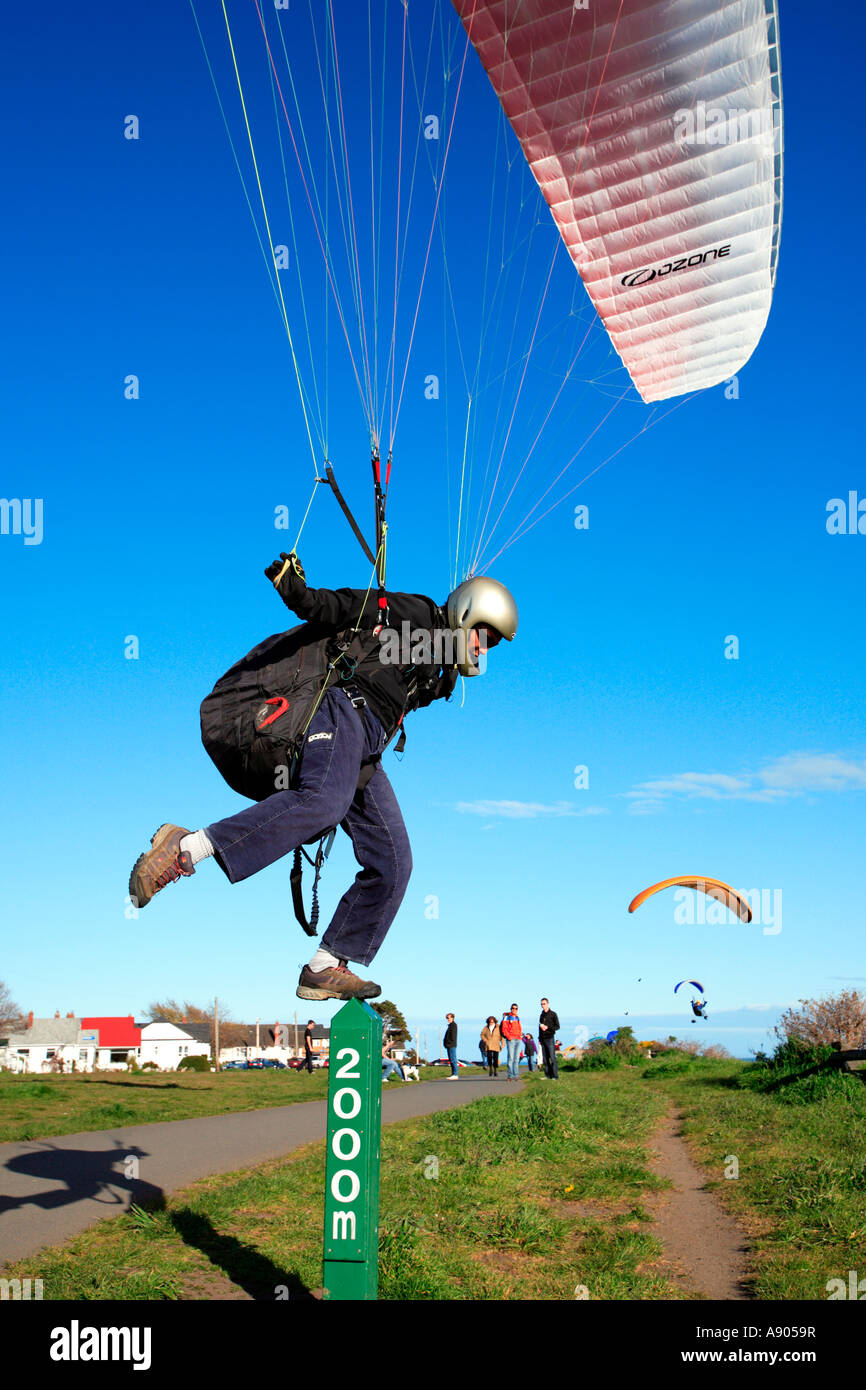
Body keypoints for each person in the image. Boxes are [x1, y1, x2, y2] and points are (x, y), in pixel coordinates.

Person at [128, 563, 517, 1004]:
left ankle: (324, 965)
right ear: (466, 613)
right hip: (343, 710)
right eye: (483, 635)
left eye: (491, 644)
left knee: (394, 860)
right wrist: (300, 594)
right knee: (324, 801)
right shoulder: (419, 616)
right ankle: (185, 848)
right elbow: (348, 607)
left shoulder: (439, 673)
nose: (483, 647)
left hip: (367, 748)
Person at [538, 998, 560, 1079]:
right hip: (542, 1038)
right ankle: (547, 1075)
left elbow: (557, 1026)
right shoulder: (541, 1015)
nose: (542, 1005)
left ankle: (555, 1076)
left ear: (548, 1004)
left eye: (544, 1004)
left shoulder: (553, 1014)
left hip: (550, 1038)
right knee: (545, 1058)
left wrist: (548, 1027)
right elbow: (540, 1027)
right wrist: (539, 1039)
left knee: (552, 1057)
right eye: (541, 1004)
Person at [500, 1004, 522, 1081]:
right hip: (511, 1039)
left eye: (516, 1008)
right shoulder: (507, 1017)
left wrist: (520, 1036)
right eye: (513, 1008)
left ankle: (516, 1075)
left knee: (516, 1058)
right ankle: (510, 1076)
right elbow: (504, 1028)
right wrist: (509, 1037)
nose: (514, 1009)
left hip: (518, 1039)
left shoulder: (517, 1017)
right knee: (511, 1058)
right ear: (511, 1009)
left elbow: (519, 1028)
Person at [443, 1013, 459, 1079]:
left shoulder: (453, 1025)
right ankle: (453, 1074)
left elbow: (452, 1036)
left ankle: (455, 1074)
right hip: (449, 1045)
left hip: (451, 1045)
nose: (448, 1019)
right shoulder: (450, 1026)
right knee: (451, 1060)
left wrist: (448, 1043)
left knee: (453, 1059)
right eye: (447, 1018)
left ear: (452, 1018)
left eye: (449, 1018)